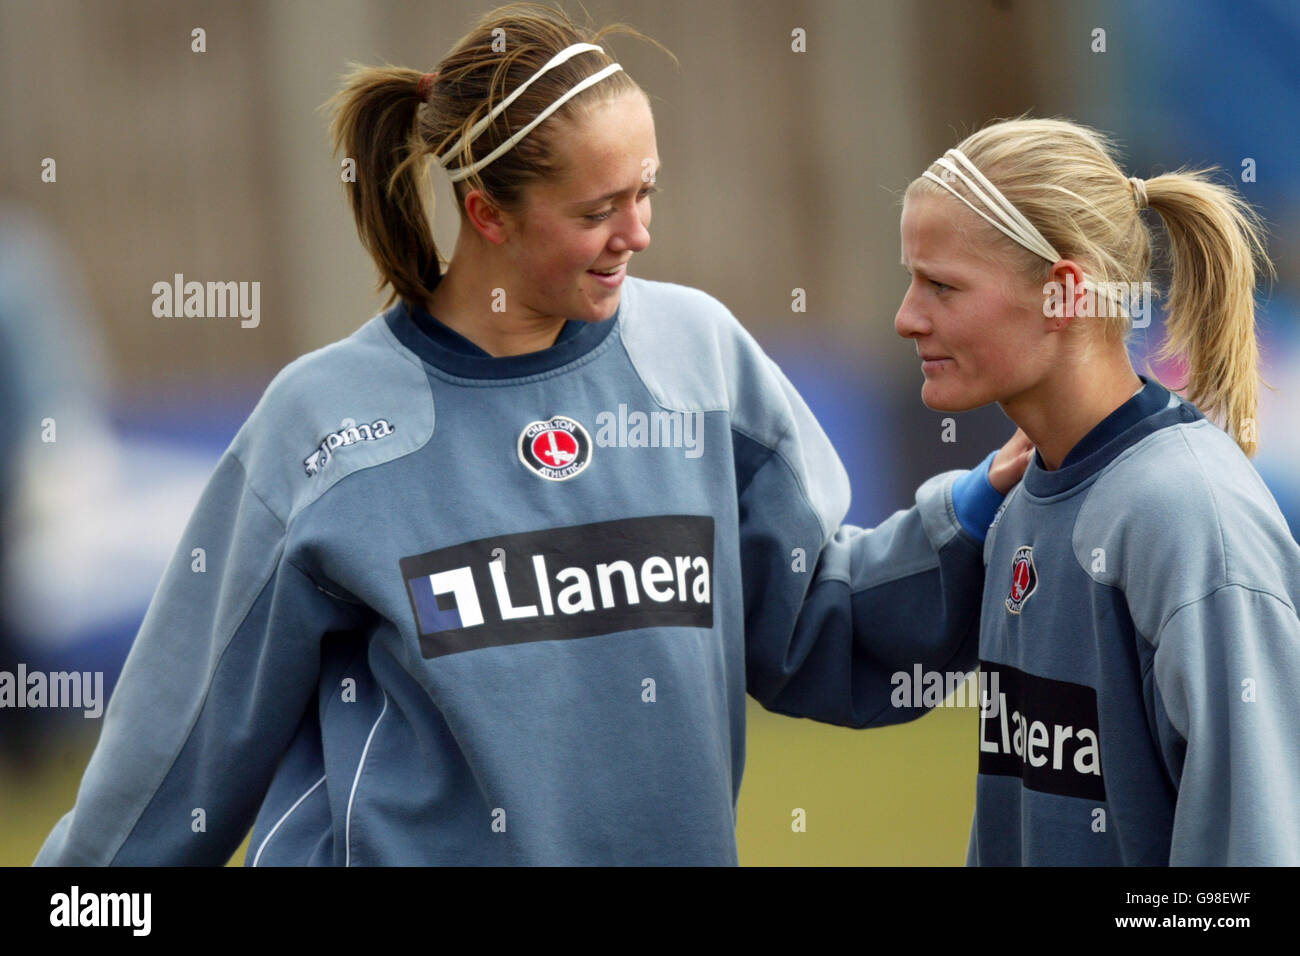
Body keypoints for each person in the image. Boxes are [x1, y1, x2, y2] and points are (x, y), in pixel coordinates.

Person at [35, 3, 1028, 867]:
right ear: (487, 214)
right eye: (599, 209)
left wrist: (977, 510)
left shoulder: (700, 360)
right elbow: (176, 760)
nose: (637, 232)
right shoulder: (322, 428)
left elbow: (821, 627)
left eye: (647, 192)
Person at [895, 115, 1300, 865]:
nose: (906, 318)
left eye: (942, 286)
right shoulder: (1023, 503)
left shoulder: (1187, 518)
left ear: (1063, 293)